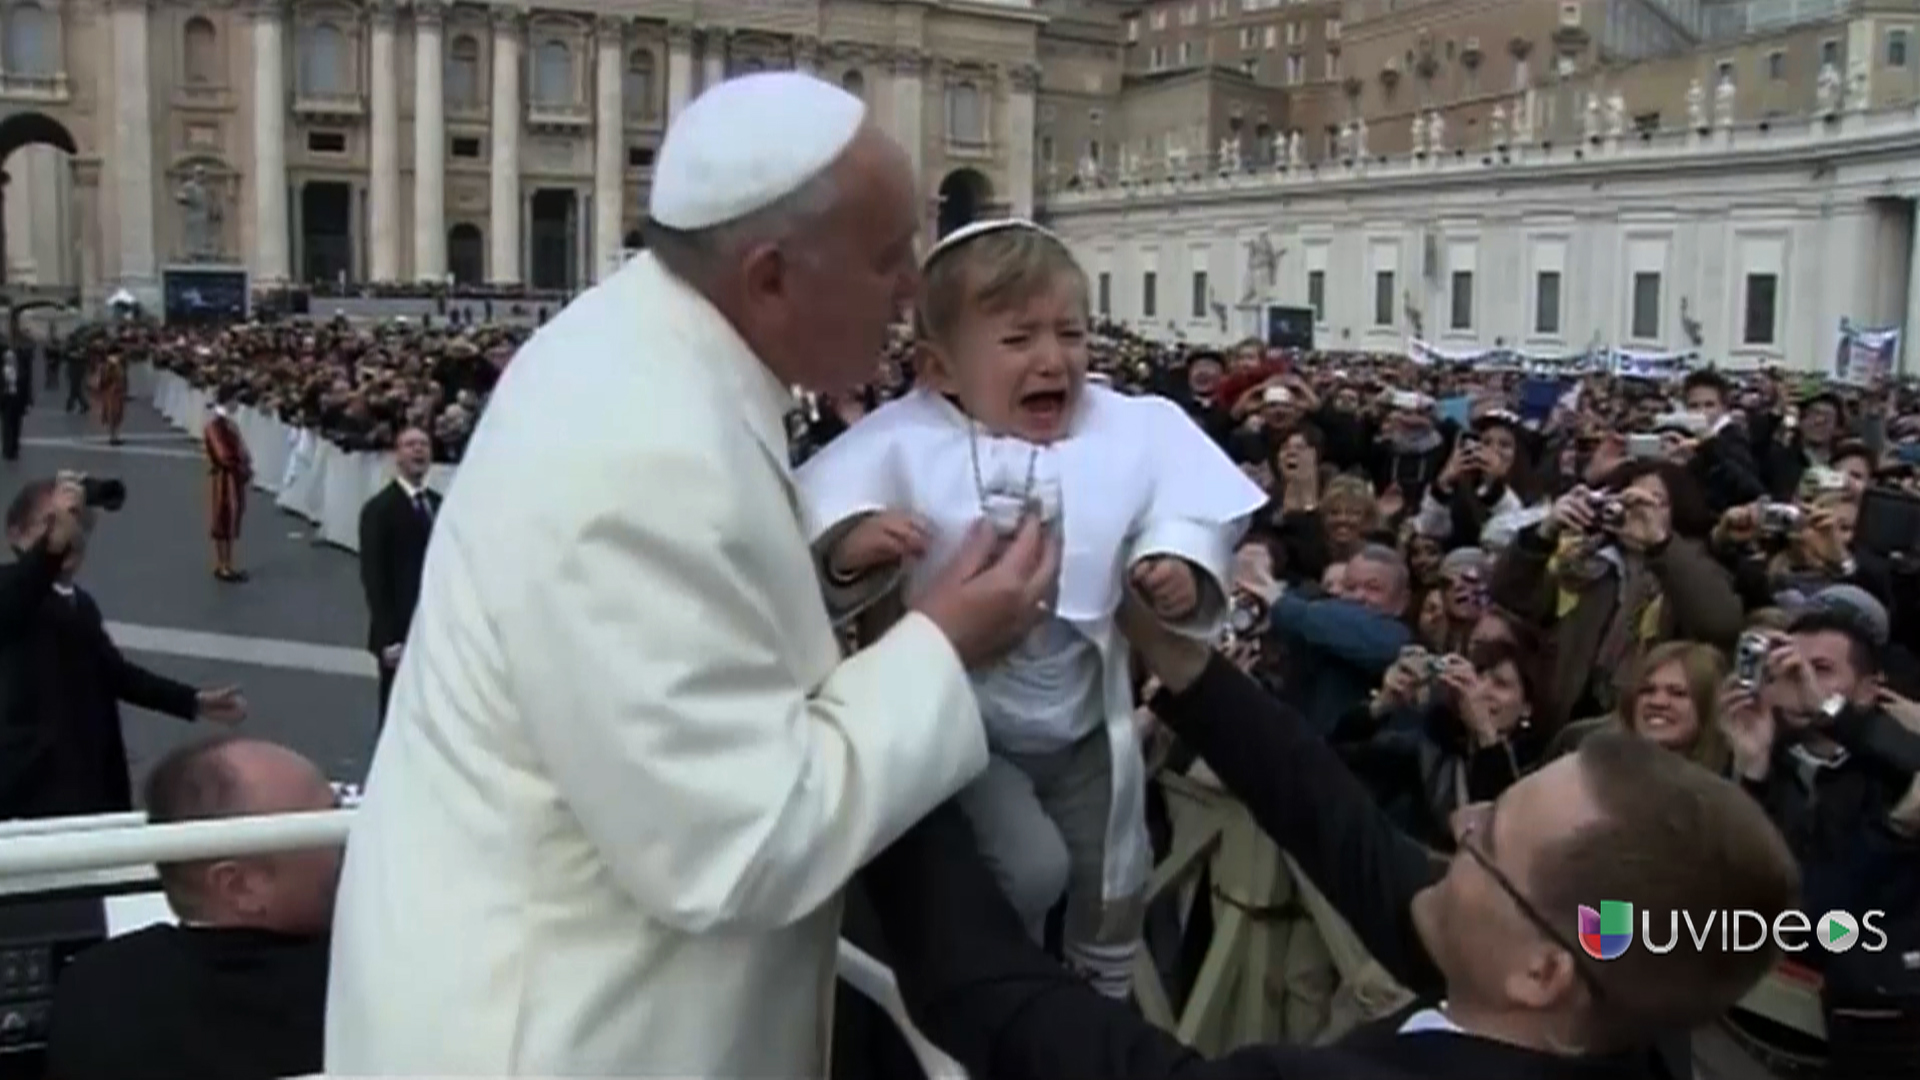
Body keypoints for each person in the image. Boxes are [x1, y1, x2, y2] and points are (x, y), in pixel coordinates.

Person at [324, 72, 1061, 1076]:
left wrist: (844, 585)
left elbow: (704, 624)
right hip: (561, 1031)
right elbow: (738, 842)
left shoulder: (637, 348)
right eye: (890, 258)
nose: (911, 289)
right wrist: (946, 643)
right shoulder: (641, 449)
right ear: (770, 277)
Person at [865, 589, 1802, 1080]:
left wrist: (894, 701)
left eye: (1484, 841)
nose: (1460, 824)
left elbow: (991, 991)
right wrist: (1176, 657)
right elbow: (1341, 828)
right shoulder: (1595, 1004)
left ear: (1543, 972)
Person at [798, 219, 1264, 999]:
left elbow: (1186, 505)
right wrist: (854, 547)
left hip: (1083, 720)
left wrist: (1180, 564)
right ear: (940, 369)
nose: (1054, 359)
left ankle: (1092, 996)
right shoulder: (903, 440)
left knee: (1108, 867)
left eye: (1072, 334)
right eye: (1018, 340)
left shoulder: (1130, 427)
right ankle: (981, 988)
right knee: (1030, 867)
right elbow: (820, 527)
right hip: (967, 724)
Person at [45, 736, 337, 1080]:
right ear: (239, 885)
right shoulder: (358, 982)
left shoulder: (93, 987)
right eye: (326, 826)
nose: (354, 840)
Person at [0, 475, 246, 819]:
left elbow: (115, 673)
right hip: (32, 792)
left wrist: (190, 701)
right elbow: (17, 594)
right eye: (52, 523)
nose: (70, 534)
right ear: (15, 534)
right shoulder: (10, 588)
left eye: (80, 525)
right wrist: (50, 550)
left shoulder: (81, 603)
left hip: (93, 779)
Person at [356, 426, 439, 723]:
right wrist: (389, 637)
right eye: (410, 445)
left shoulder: (439, 505)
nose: (418, 450)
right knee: (395, 711)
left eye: (424, 445)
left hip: (434, 628)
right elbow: (374, 577)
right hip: (399, 633)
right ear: (396, 456)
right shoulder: (379, 510)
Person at [203, 386, 252, 582]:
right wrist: (241, 465)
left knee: (230, 519)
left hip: (231, 476)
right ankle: (223, 564)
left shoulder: (228, 424)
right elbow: (223, 454)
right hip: (225, 478)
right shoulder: (216, 426)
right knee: (223, 518)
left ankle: (227, 563)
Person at [91, 351, 126, 445]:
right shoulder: (111, 369)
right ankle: (113, 436)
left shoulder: (107, 368)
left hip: (113, 394)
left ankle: (114, 435)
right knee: (114, 415)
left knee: (114, 415)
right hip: (112, 394)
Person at [0, 348, 28, 461]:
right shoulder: (2, 372)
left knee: (16, 426)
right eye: (8, 358)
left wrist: (26, 402)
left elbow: (25, 388)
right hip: (6, 400)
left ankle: (14, 448)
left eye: (12, 358)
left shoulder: (21, 371)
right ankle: (7, 449)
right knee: (7, 426)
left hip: (17, 400)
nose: (10, 360)